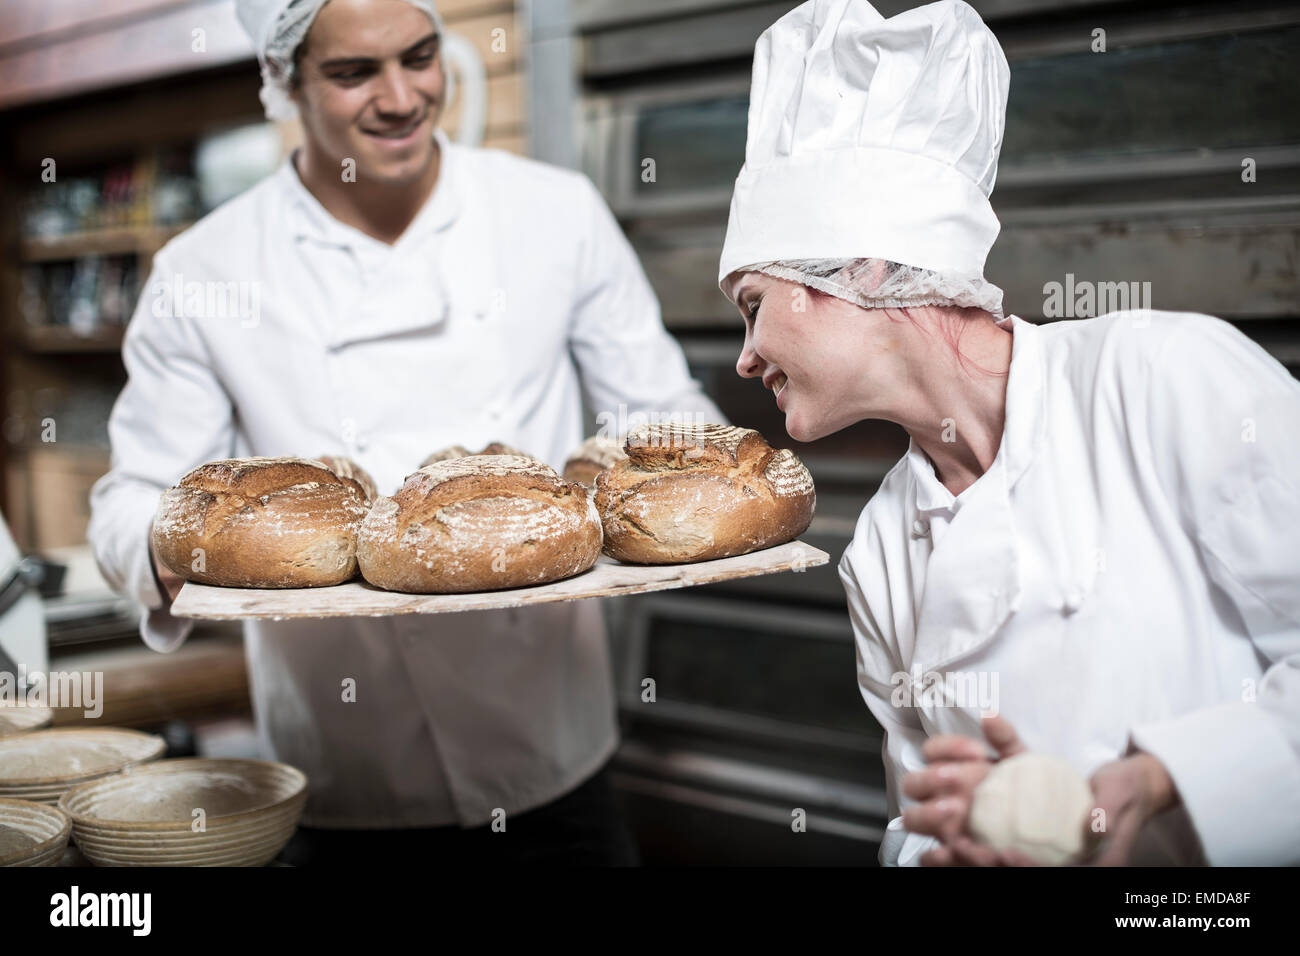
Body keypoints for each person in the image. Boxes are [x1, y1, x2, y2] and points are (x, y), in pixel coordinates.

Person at [88, 0, 724, 866]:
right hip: (346, 769)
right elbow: (131, 499)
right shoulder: (208, 271)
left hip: (552, 758)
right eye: (354, 73)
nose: (400, 97)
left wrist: (692, 478)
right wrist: (180, 549)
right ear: (286, 82)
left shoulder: (552, 213)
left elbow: (660, 415)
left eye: (418, 57)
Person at [718, 0, 1300, 866]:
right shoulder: (882, 544)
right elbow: (908, 821)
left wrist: (1156, 778)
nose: (743, 359)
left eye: (754, 308)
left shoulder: (1161, 377)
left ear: (864, 265)